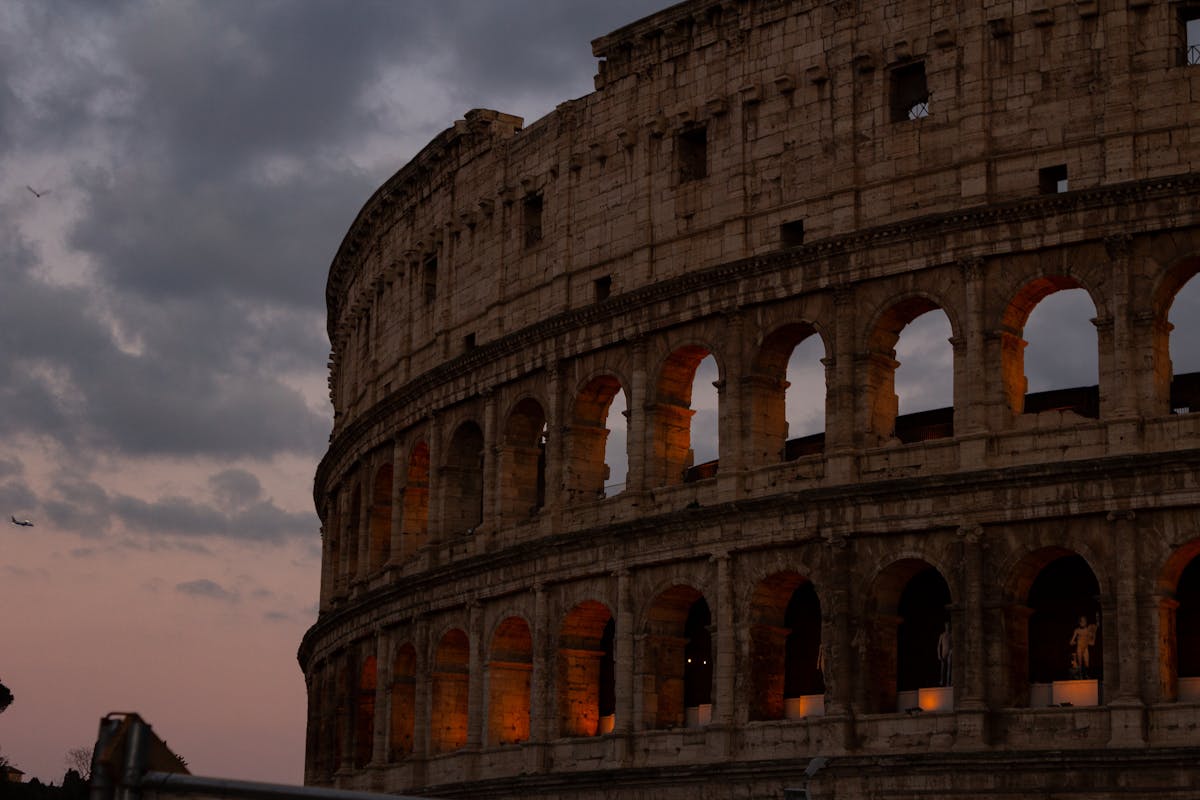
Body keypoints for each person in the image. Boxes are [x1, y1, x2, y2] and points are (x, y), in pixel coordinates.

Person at [937, 621, 952, 686]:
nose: (947, 627)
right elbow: (938, 645)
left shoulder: (951, 635)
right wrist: (939, 655)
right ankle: (942, 681)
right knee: (943, 669)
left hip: (949, 652)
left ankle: (948, 682)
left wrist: (951, 651)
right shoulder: (942, 635)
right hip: (943, 653)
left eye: (948, 625)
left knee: (949, 668)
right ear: (945, 626)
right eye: (946, 625)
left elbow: (953, 644)